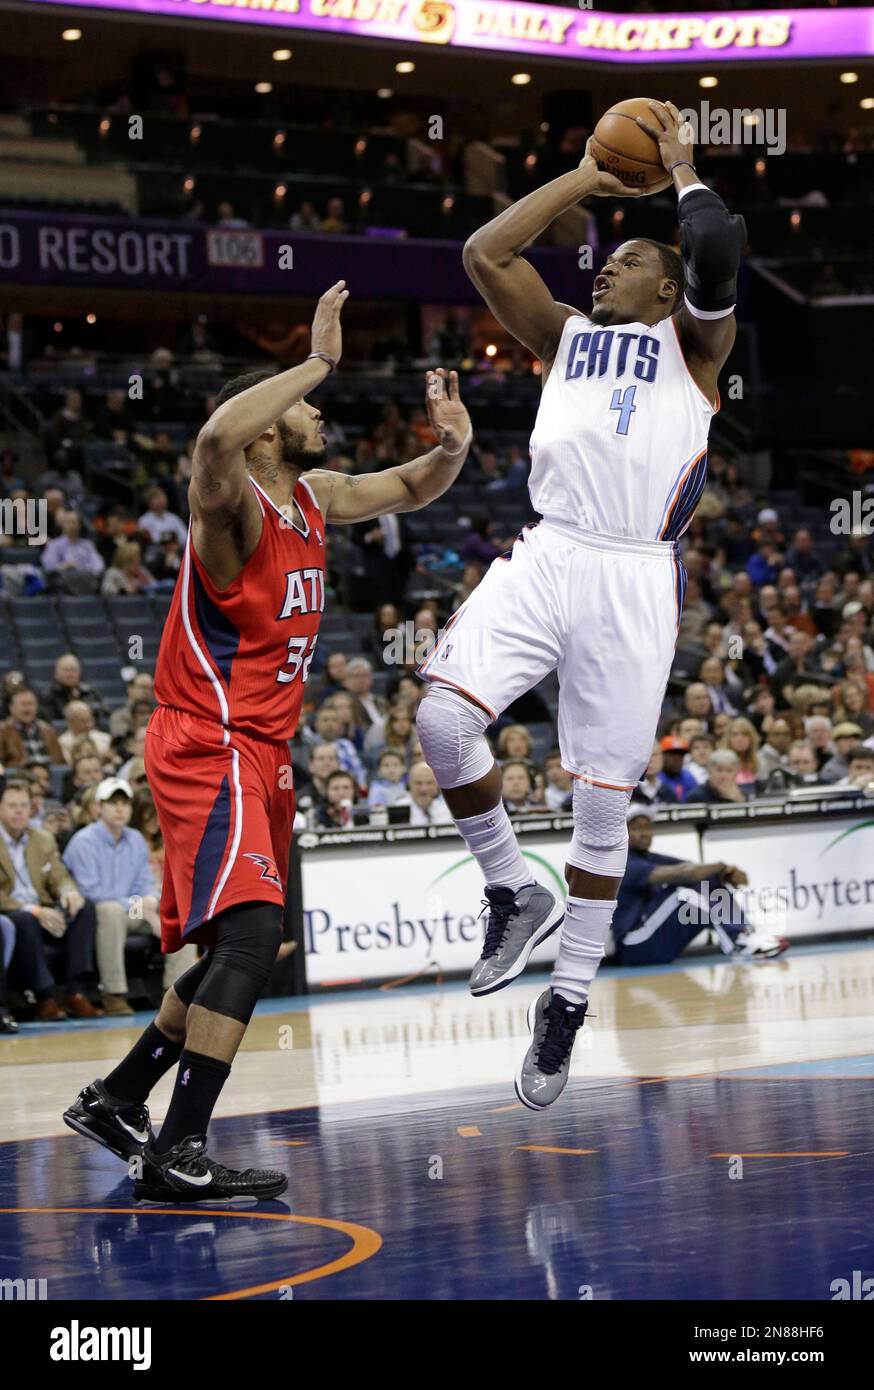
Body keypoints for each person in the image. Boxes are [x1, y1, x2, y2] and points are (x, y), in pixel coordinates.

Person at [63, 281, 472, 1203]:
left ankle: (118, 1097)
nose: (320, 413)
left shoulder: (316, 497)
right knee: (254, 938)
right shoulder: (232, 504)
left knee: (234, 948)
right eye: (304, 407)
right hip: (210, 739)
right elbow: (209, 440)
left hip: (260, 753)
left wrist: (452, 446)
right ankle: (180, 1148)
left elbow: (410, 485)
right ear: (266, 430)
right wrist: (315, 360)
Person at [416, 101, 746, 1107]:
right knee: (438, 717)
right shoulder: (563, 334)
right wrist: (591, 180)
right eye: (603, 259)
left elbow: (719, 247)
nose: (604, 268)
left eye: (629, 259)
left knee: (603, 809)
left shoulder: (694, 349)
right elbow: (483, 250)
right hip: (549, 547)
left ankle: (564, 1000)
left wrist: (679, 170)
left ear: (667, 283)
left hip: (635, 574)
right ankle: (515, 887)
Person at [614, 805, 787, 965]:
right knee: (683, 892)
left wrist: (724, 873)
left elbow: (695, 870)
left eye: (647, 827)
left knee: (709, 880)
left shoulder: (649, 857)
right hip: (634, 946)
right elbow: (684, 873)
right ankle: (738, 943)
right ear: (622, 831)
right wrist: (722, 866)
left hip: (655, 941)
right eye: (636, 827)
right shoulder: (623, 861)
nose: (644, 833)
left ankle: (746, 934)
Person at [0, 779, 101, 1019]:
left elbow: (58, 874)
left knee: (84, 907)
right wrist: (34, 910)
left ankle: (76, 992)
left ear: (31, 809)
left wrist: (69, 892)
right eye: (12, 805)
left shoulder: (42, 838)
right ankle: (44, 997)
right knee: (24, 920)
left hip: (46, 910)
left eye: (23, 805)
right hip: (14, 912)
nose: (18, 811)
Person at [62, 777, 160, 1016]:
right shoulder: (83, 841)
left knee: (174, 914)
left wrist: (151, 902)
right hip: (96, 918)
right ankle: (113, 994)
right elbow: (91, 893)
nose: (119, 809)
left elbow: (145, 883)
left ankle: (176, 991)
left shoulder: (135, 839)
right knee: (110, 909)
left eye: (125, 803)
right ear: (99, 807)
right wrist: (140, 904)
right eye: (112, 802)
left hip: (131, 912)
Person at [0, 688, 64, 767]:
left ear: (37, 707)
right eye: (23, 704)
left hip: (50, 776)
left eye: (30, 704)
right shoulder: (2, 731)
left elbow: (60, 762)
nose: (27, 709)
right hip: (19, 776)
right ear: (11, 708)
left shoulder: (49, 731)